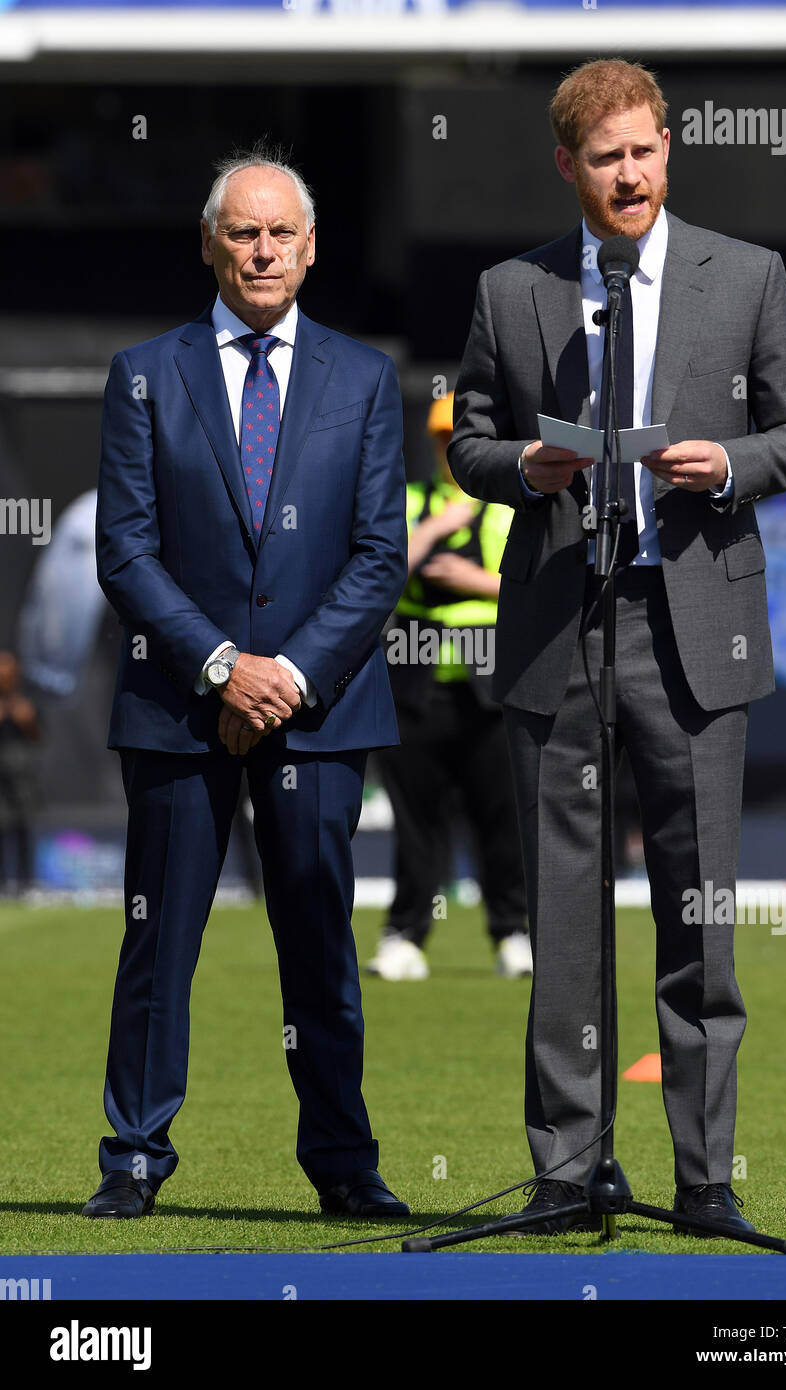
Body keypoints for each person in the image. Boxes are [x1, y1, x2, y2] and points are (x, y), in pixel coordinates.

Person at [448, 59, 786, 1236]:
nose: (629, 172)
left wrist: (723, 464)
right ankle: (566, 1177)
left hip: (692, 629)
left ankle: (703, 1182)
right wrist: (526, 465)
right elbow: (467, 439)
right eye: (604, 155)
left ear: (670, 149)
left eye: (645, 149)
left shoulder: (747, 276)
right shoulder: (510, 291)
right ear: (566, 166)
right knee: (561, 914)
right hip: (562, 622)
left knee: (697, 915)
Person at [84, 149, 410, 1221]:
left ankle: (345, 1168)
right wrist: (223, 669)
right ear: (212, 244)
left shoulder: (362, 378)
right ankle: (132, 1157)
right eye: (242, 232)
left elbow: (376, 554)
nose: (262, 251)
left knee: (318, 943)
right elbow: (125, 552)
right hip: (181, 706)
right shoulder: (143, 372)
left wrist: (289, 677)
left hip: (318, 714)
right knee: (158, 938)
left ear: (310, 248)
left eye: (281, 234)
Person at [368, 393, 532, 981]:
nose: (449, 450)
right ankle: (405, 935)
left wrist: (473, 580)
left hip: (492, 684)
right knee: (416, 817)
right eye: (441, 439)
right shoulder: (409, 503)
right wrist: (437, 527)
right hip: (416, 683)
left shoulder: (514, 506)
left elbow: (537, 593)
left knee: (503, 816)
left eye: (457, 437)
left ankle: (513, 933)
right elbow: (376, 579)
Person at [0, 651, 39, 895]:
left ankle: (27, 882)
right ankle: (3, 882)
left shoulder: (26, 702)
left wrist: (27, 721)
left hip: (21, 773)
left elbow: (38, 738)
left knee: (23, 828)